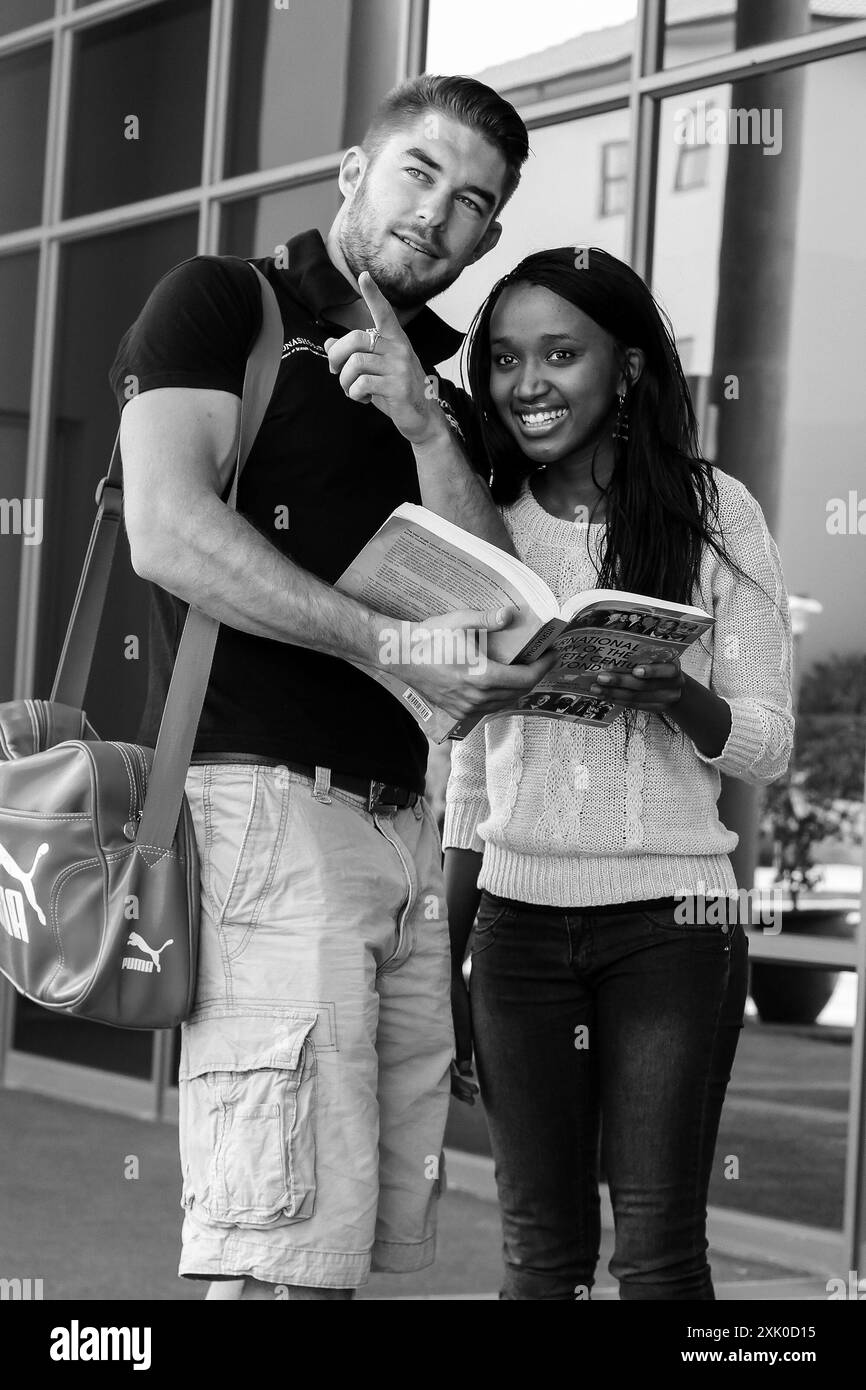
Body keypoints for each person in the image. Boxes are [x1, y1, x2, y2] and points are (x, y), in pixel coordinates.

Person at [111, 74, 554, 1302]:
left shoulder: (441, 399)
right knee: (270, 1241)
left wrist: (423, 424)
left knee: (342, 1248)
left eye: (472, 203)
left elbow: (505, 620)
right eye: (417, 172)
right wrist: (383, 645)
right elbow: (168, 530)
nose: (435, 214)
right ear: (353, 170)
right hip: (265, 812)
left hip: (404, 837)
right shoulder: (223, 303)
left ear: (488, 236)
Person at [444, 246, 793, 1300]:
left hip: (673, 924)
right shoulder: (488, 520)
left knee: (654, 1253)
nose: (526, 383)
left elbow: (769, 740)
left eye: (560, 353)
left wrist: (674, 695)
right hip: (515, 924)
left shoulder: (711, 511)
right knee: (538, 1254)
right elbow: (465, 774)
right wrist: (451, 954)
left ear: (629, 368)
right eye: (504, 359)